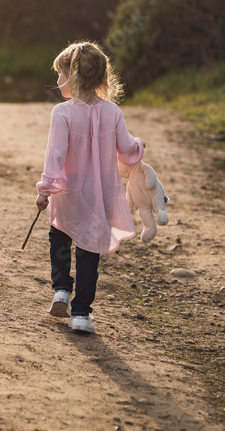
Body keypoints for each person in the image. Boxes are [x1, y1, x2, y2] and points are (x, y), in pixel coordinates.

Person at [35, 41, 145, 334]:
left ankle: (61, 289)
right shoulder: (113, 112)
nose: (58, 82)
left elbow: (55, 155)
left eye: (60, 75)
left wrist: (45, 190)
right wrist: (139, 147)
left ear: (73, 78)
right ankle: (82, 314)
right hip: (99, 197)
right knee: (88, 252)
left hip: (68, 195)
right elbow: (127, 148)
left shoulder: (62, 112)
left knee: (59, 236)